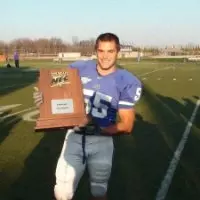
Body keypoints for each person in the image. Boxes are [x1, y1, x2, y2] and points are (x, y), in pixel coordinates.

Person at [33, 32, 142, 200]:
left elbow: (127, 125)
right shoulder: (79, 69)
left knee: (98, 192)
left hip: (102, 142)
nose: (105, 56)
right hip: (74, 138)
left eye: (110, 51)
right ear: (96, 51)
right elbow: (53, 86)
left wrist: (98, 126)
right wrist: (44, 97)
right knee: (62, 193)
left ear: (118, 52)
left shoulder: (125, 80)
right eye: (101, 51)